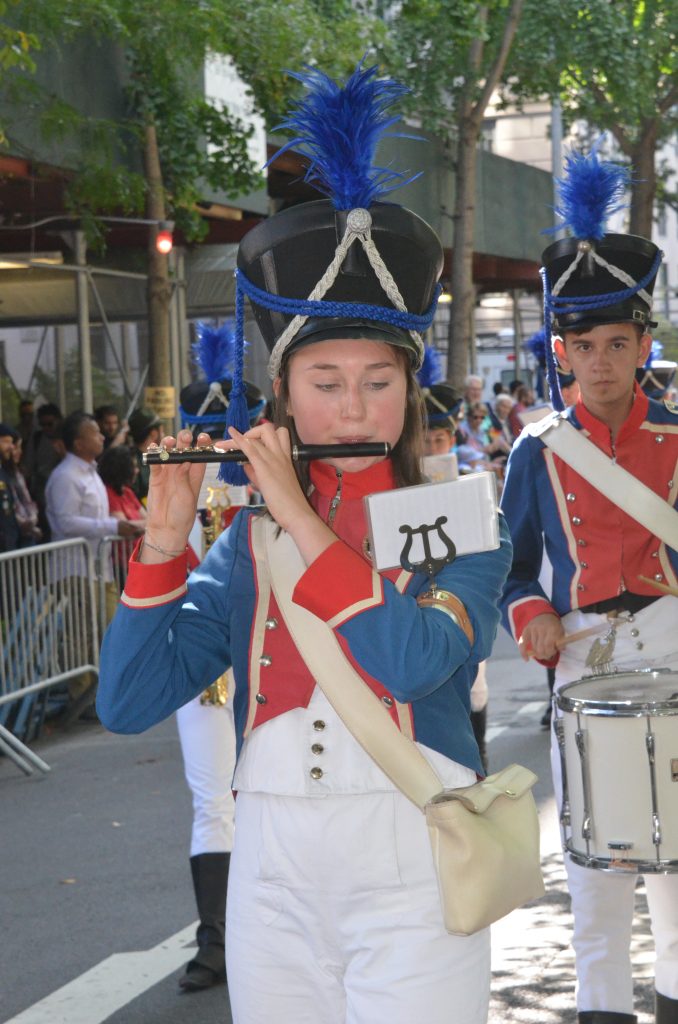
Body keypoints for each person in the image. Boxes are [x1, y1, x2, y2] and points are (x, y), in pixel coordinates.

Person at [97, 63, 512, 1024]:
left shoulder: (462, 513)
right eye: (325, 379)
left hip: (417, 842)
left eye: (378, 379)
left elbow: (410, 665)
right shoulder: (244, 540)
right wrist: (161, 543)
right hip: (271, 865)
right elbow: (125, 702)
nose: (354, 404)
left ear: (410, 389)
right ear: (282, 393)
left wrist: (295, 510)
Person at [499, 145, 678, 1024]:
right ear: (559, 352)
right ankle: (601, 1009)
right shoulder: (536, 449)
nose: (600, 363)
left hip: (676, 647)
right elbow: (507, 562)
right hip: (581, 653)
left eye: (617, 343)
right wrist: (531, 612)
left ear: (646, 343)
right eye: (582, 347)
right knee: (594, 874)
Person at [174, 321, 266, 994]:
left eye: (219, 434)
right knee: (213, 798)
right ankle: (217, 940)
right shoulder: (172, 492)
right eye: (200, 435)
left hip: (271, 656)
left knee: (271, 793)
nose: (210, 447)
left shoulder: (269, 482)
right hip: (204, 663)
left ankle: (267, 925)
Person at [45, 412, 143, 714]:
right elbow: (66, 522)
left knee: (107, 630)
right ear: (78, 442)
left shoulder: (90, 473)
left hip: (98, 568)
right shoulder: (66, 477)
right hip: (74, 568)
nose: (102, 437)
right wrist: (113, 527)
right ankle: (83, 699)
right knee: (80, 635)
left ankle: (105, 693)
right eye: (94, 434)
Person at [22, 401, 64, 539]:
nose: (46, 428)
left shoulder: (67, 439)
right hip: (42, 496)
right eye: (43, 425)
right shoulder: (37, 439)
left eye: (50, 424)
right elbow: (28, 466)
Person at [6, 430, 41, 547]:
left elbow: (27, 500)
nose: (18, 452)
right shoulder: (4, 477)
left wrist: (32, 518)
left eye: (20, 448)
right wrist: (25, 523)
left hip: (27, 534)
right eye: (15, 448)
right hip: (13, 535)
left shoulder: (18, 474)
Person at [127, 408, 162, 503]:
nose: (163, 434)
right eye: (161, 431)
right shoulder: (134, 462)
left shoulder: (128, 458)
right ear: (154, 434)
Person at [0, 423, 21, 553]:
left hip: (8, 546)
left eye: (12, 442)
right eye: (6, 442)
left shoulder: (4, 473)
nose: (11, 447)